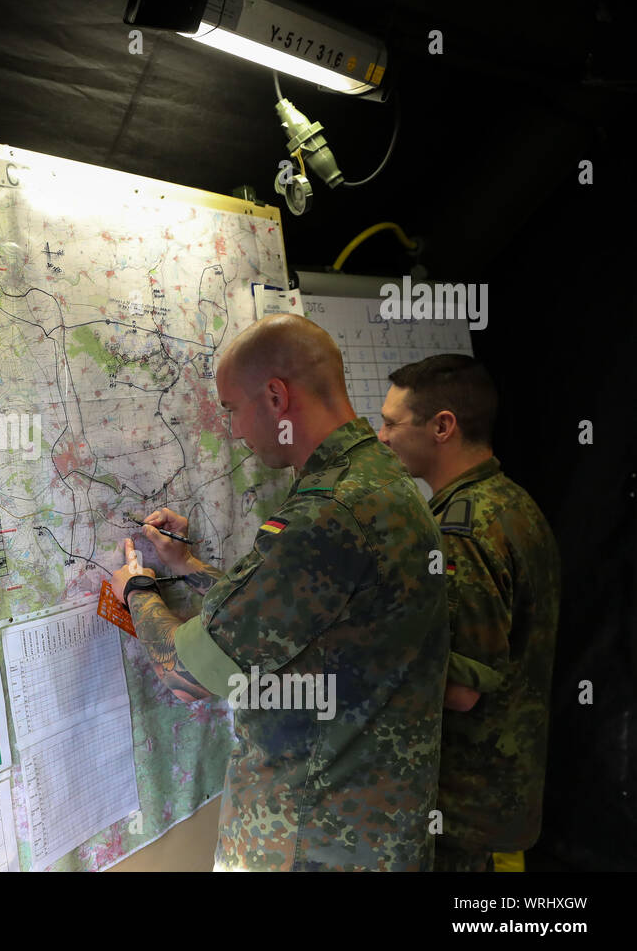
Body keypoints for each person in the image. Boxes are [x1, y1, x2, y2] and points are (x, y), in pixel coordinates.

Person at [110, 313, 448, 871]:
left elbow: (184, 675)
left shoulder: (328, 514)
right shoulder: (378, 479)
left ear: (275, 397)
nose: (234, 431)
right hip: (375, 831)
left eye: (232, 409)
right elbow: (303, 617)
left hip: (313, 840)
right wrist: (188, 565)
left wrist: (136, 589)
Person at [379, 354, 561, 872]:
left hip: (462, 819)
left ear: (442, 427)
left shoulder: (459, 534)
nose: (382, 436)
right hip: (498, 803)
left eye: (393, 422)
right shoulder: (511, 502)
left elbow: (460, 689)